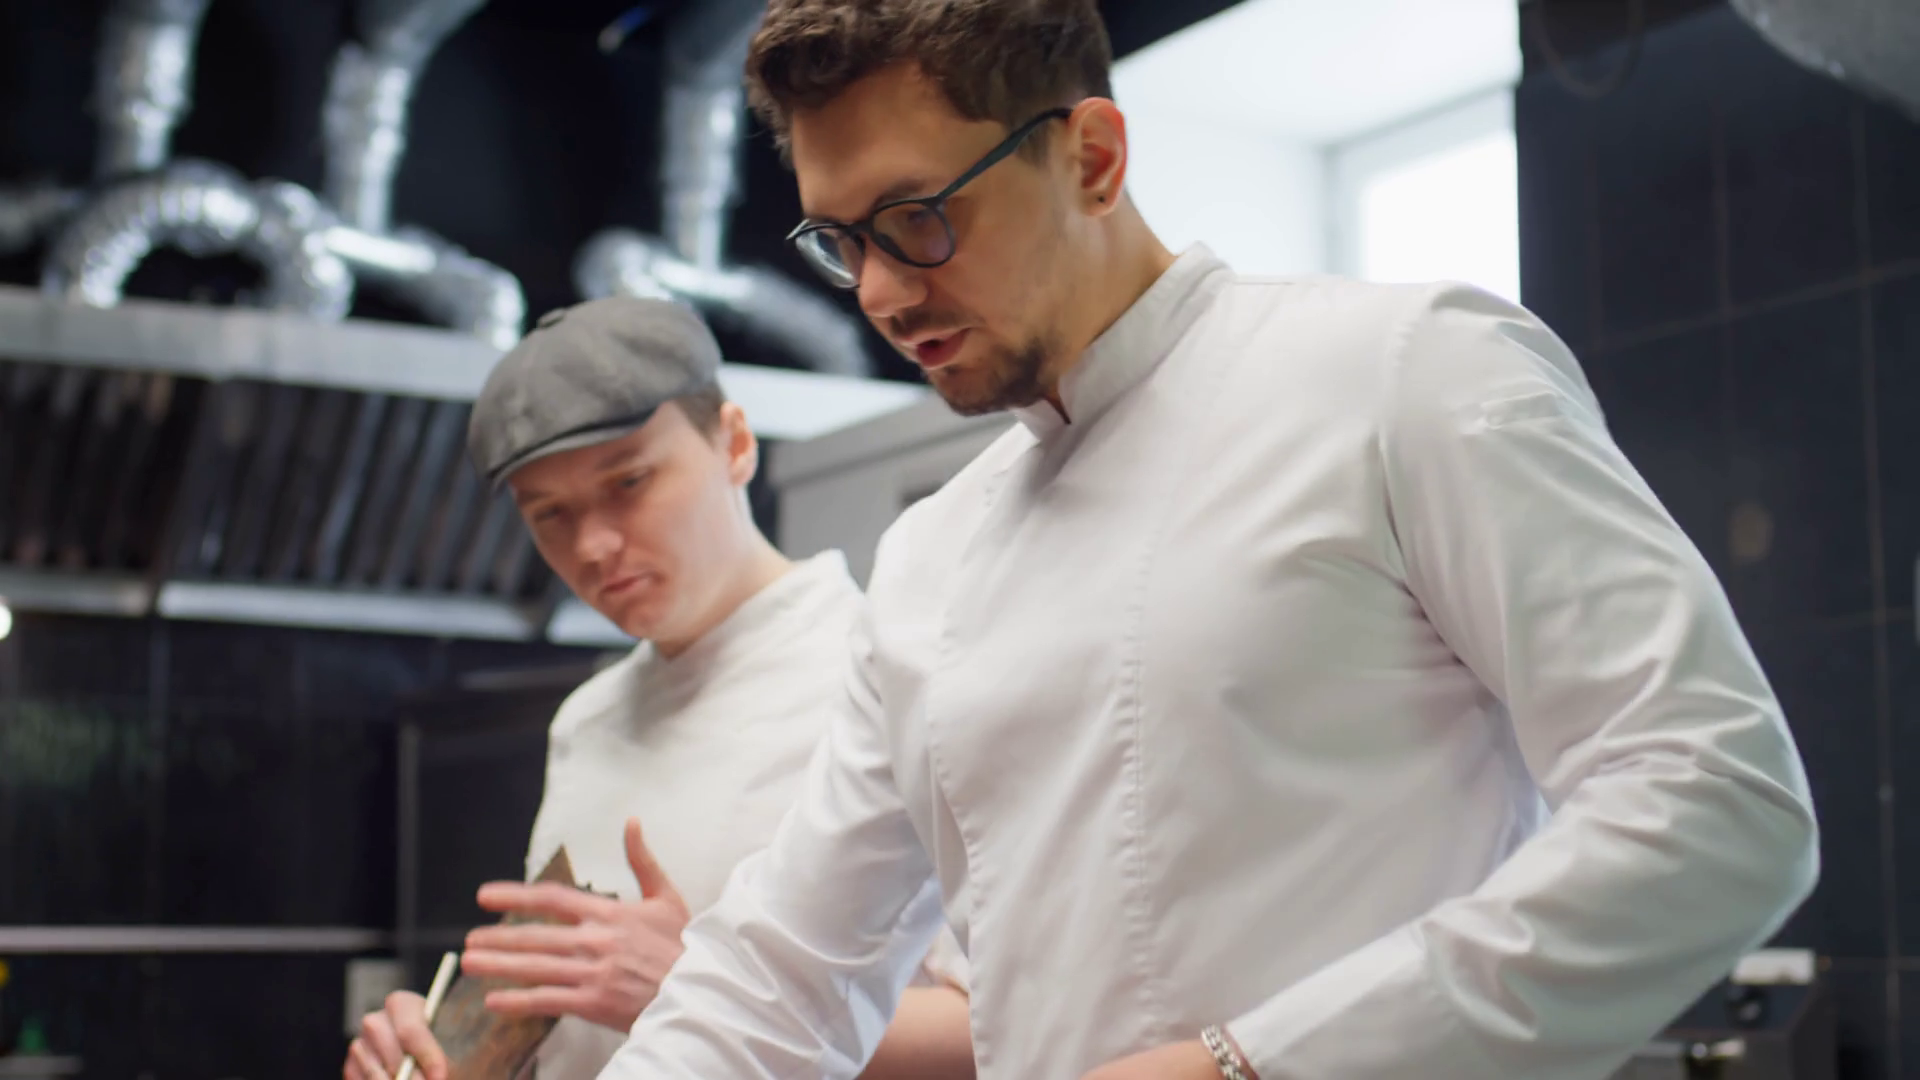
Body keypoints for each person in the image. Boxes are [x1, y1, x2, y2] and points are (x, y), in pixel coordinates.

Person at [595, 2, 1823, 1079]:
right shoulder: (930, 559)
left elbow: (1718, 805)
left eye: (918, 218)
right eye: (839, 240)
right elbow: (780, 970)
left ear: (1091, 155)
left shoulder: (1406, 372)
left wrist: (1257, 1067)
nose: (878, 292)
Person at [340, 298, 976, 1080]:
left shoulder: (888, 673)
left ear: (735, 444)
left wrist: (697, 991)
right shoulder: (589, 716)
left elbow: (1001, 1033)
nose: (594, 546)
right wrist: (449, 1048)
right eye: (551, 516)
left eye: (630, 482)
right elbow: (586, 1025)